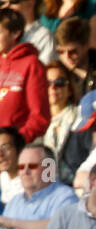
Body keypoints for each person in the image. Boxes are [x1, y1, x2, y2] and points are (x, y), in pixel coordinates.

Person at [0, 143, 75, 229]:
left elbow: (60, 228)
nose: (25, 171)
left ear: (49, 169)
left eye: (32, 166)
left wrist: (14, 223)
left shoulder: (65, 196)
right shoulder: (14, 202)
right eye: (21, 167)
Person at [0, 7, 48, 145]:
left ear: (15, 33)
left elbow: (39, 116)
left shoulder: (32, 64)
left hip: (20, 148)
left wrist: (18, 141)